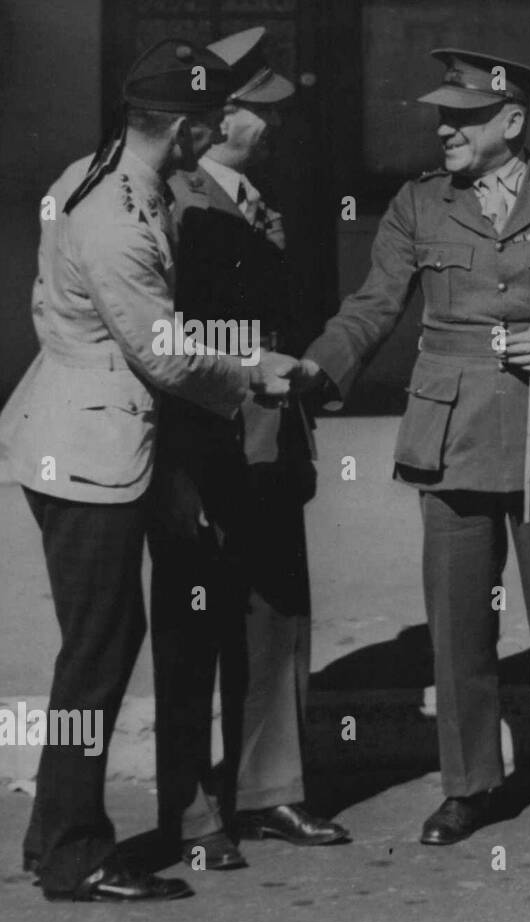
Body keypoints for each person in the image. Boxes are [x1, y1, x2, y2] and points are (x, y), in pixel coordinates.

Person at [301, 50, 530, 845]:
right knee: (458, 624)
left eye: (462, 116)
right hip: (450, 431)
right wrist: (321, 366)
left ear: (511, 122)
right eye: (441, 116)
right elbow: (374, 303)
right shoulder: (420, 204)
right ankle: (470, 783)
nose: (444, 129)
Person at [0, 38, 304, 902]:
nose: (213, 135)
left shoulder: (93, 175)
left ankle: (52, 833)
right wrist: (255, 372)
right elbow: (164, 355)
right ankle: (74, 854)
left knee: (97, 646)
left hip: (81, 430)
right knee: (98, 652)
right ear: (177, 127)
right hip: (87, 452)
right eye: (205, 121)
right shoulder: (115, 217)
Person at [149, 27, 349, 874]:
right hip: (202, 436)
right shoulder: (173, 196)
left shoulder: (258, 193)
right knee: (195, 622)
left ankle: (271, 789)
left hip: (271, 439)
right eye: (257, 109)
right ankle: (193, 808)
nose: (270, 124)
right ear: (221, 115)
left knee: (276, 622)